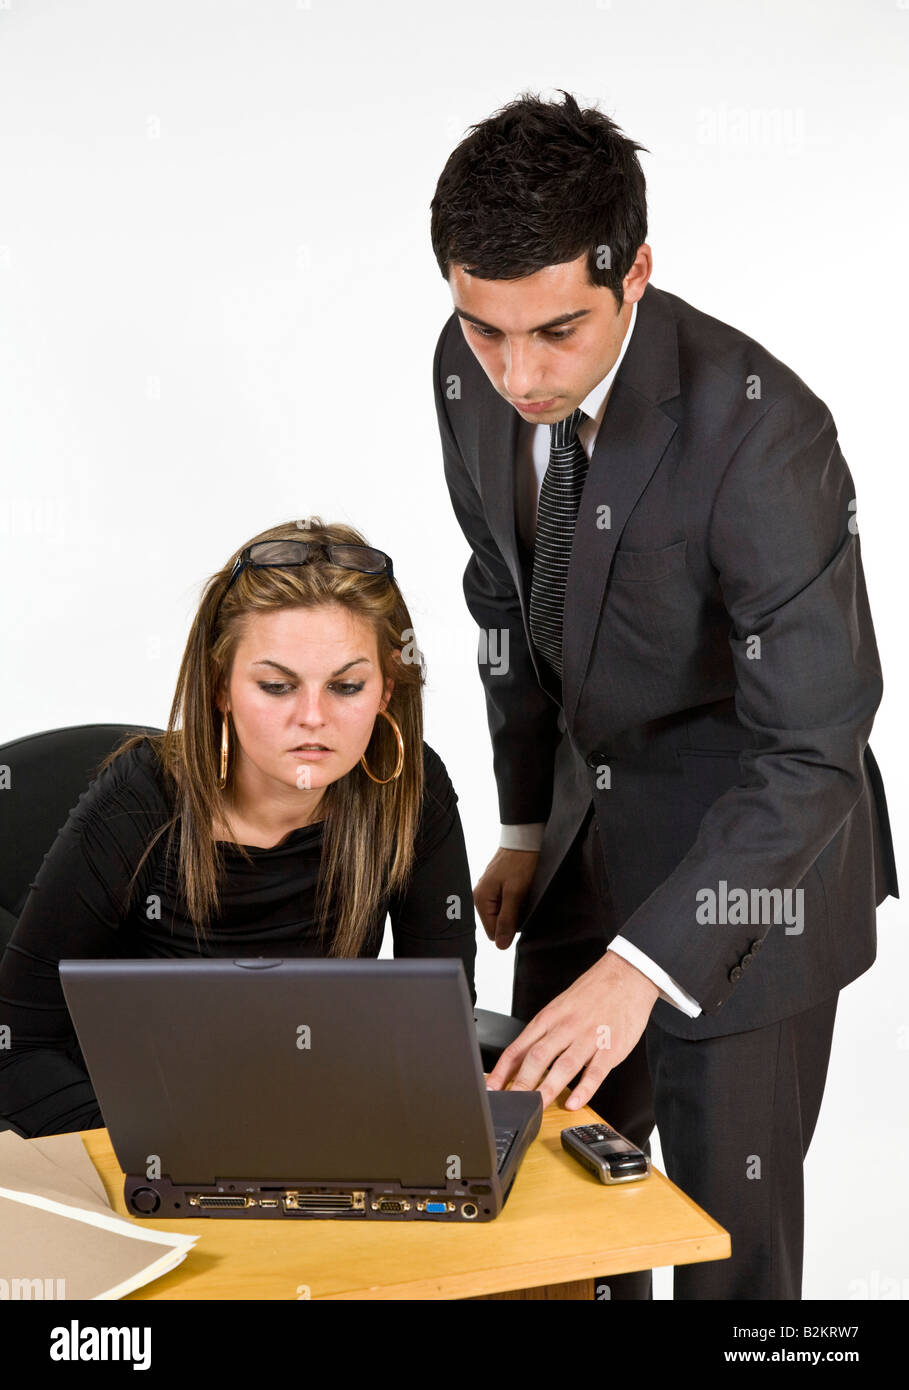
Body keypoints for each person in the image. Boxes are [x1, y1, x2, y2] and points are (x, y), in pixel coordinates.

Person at [429, 89, 899, 1300]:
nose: (516, 375)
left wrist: (643, 967)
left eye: (557, 333)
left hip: (761, 872)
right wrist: (527, 825)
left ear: (634, 269)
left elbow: (814, 746)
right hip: (588, 841)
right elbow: (505, 597)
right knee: (550, 1212)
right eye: (485, 330)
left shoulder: (766, 434)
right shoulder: (466, 362)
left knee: (725, 1252)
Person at [0, 519, 477, 1138]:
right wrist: (178, 1154)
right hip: (132, 1133)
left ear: (387, 688)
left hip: (313, 1127)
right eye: (276, 686)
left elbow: (435, 1028)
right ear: (220, 686)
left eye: (347, 685)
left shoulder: (408, 783)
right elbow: (15, 1048)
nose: (313, 718)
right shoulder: (138, 798)